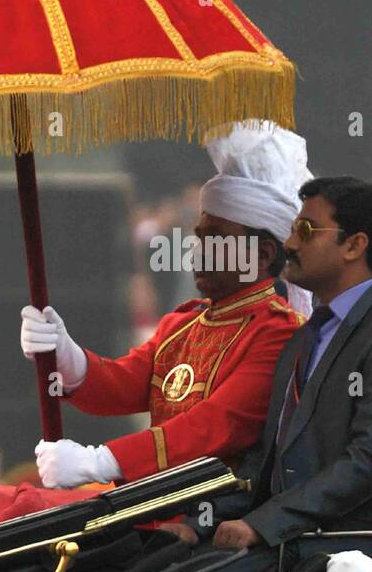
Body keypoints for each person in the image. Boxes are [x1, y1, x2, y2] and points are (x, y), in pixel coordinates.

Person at [23, 122, 307, 487]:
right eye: (199, 237)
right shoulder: (182, 324)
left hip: (216, 521)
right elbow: (123, 384)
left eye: (216, 239)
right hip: (157, 508)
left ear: (264, 253)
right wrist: (66, 355)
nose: (198, 250)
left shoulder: (279, 332)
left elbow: (214, 427)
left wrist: (101, 461)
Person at [187, 176, 372, 572]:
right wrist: (195, 523)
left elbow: (371, 461)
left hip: (355, 542)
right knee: (163, 570)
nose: (289, 243)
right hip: (296, 536)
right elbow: (264, 464)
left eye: (305, 230)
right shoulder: (303, 338)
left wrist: (262, 524)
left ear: (354, 245)